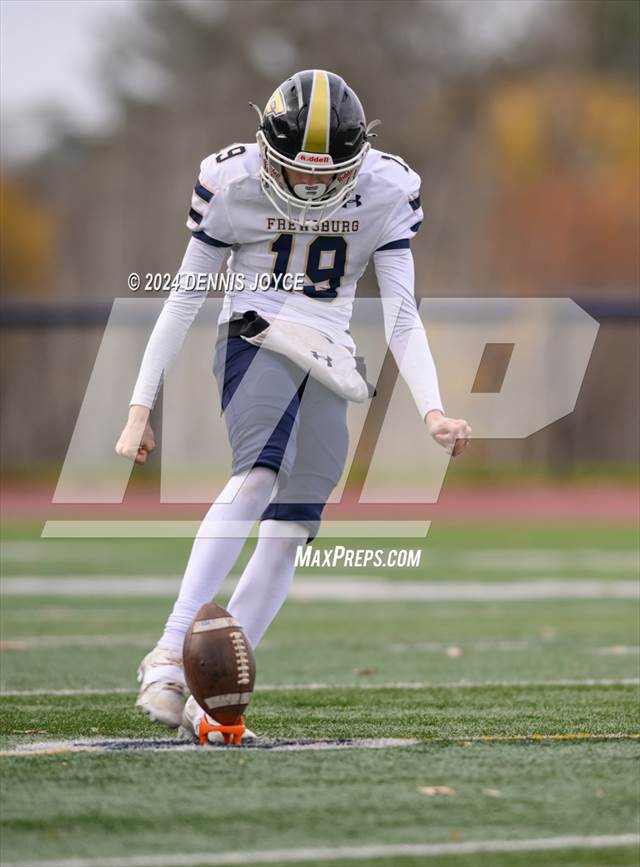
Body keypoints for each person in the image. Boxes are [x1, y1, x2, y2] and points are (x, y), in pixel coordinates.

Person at [116, 69, 471, 743]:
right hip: (254, 332)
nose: (310, 188)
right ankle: (166, 652)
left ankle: (209, 687)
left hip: (329, 355)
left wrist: (432, 409)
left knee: (291, 528)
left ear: (358, 158)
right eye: (295, 172)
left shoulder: (388, 189)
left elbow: (401, 315)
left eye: (326, 174)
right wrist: (140, 405)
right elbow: (185, 297)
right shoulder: (232, 182)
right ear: (265, 151)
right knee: (259, 474)